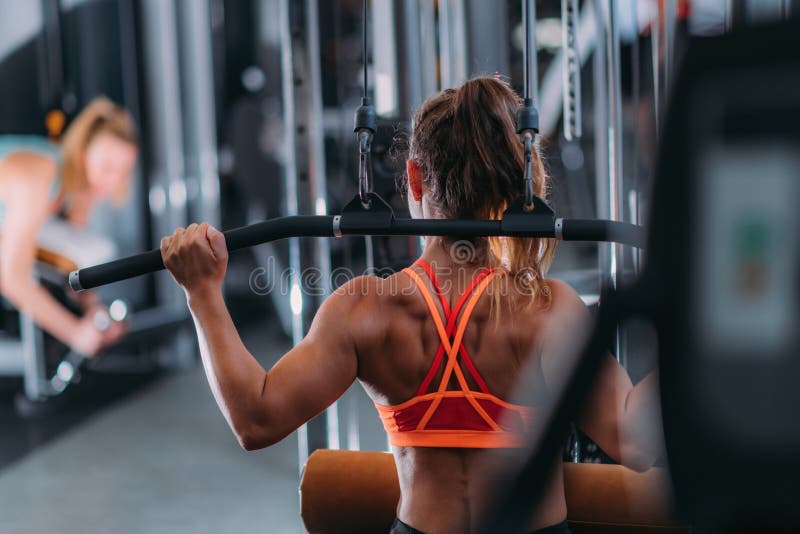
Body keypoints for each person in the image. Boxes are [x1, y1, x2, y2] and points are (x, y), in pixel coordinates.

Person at [161, 77, 662, 534]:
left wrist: (202, 294)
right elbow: (636, 443)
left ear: (414, 179)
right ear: (520, 184)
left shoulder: (364, 309)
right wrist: (707, 305)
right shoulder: (548, 310)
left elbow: (256, 419)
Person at [0, 97, 138, 357]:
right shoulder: (39, 174)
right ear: (82, 150)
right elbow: (12, 278)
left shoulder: (69, 186)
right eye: (107, 167)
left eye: (122, 172)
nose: (113, 182)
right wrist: (76, 333)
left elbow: (76, 264)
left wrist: (92, 310)